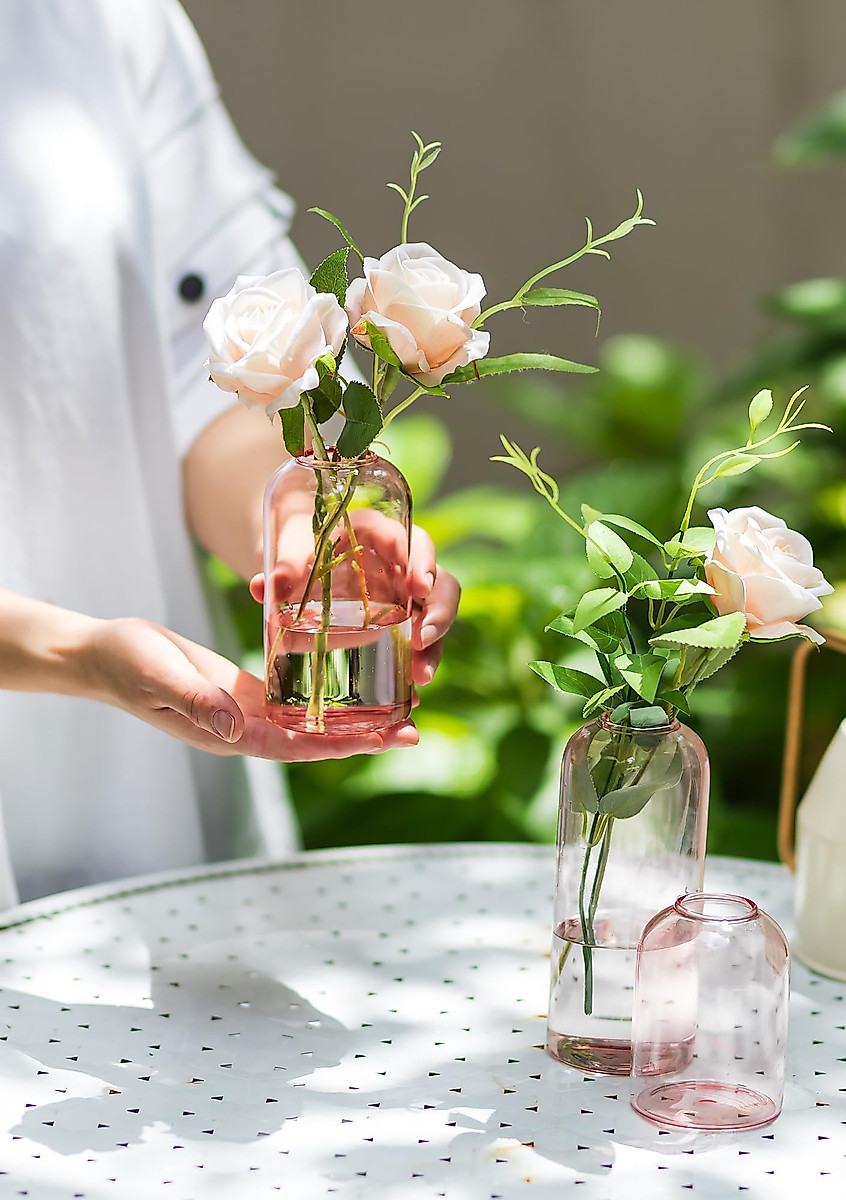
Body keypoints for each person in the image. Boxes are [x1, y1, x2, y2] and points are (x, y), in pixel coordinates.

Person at [0, 0, 459, 907]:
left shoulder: (95, 20)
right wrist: (76, 654)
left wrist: (296, 521)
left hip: (139, 806)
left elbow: (201, 372)